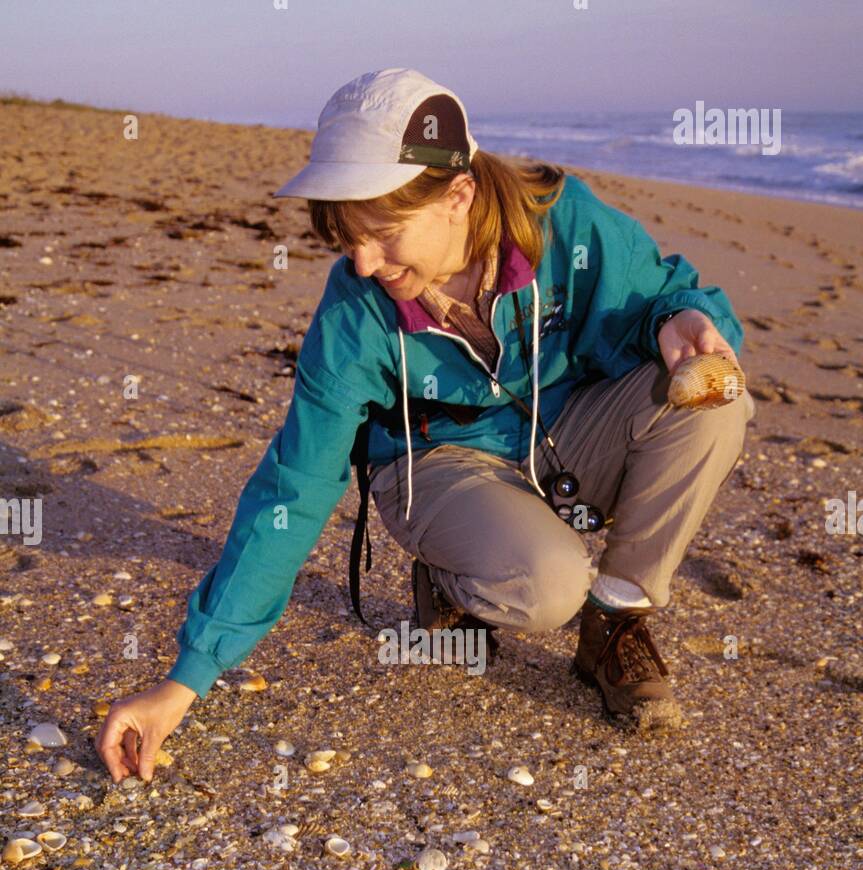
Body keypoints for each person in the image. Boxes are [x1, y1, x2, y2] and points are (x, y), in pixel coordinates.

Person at [96, 67, 753, 782]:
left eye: (381, 234)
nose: (363, 262)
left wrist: (683, 320)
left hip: (561, 436)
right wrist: (184, 680)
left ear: (458, 195)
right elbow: (294, 489)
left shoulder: (567, 225)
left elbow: (668, 296)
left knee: (714, 404)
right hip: (439, 464)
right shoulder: (354, 311)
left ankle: (614, 622)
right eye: (346, 236)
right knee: (543, 587)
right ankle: (450, 578)